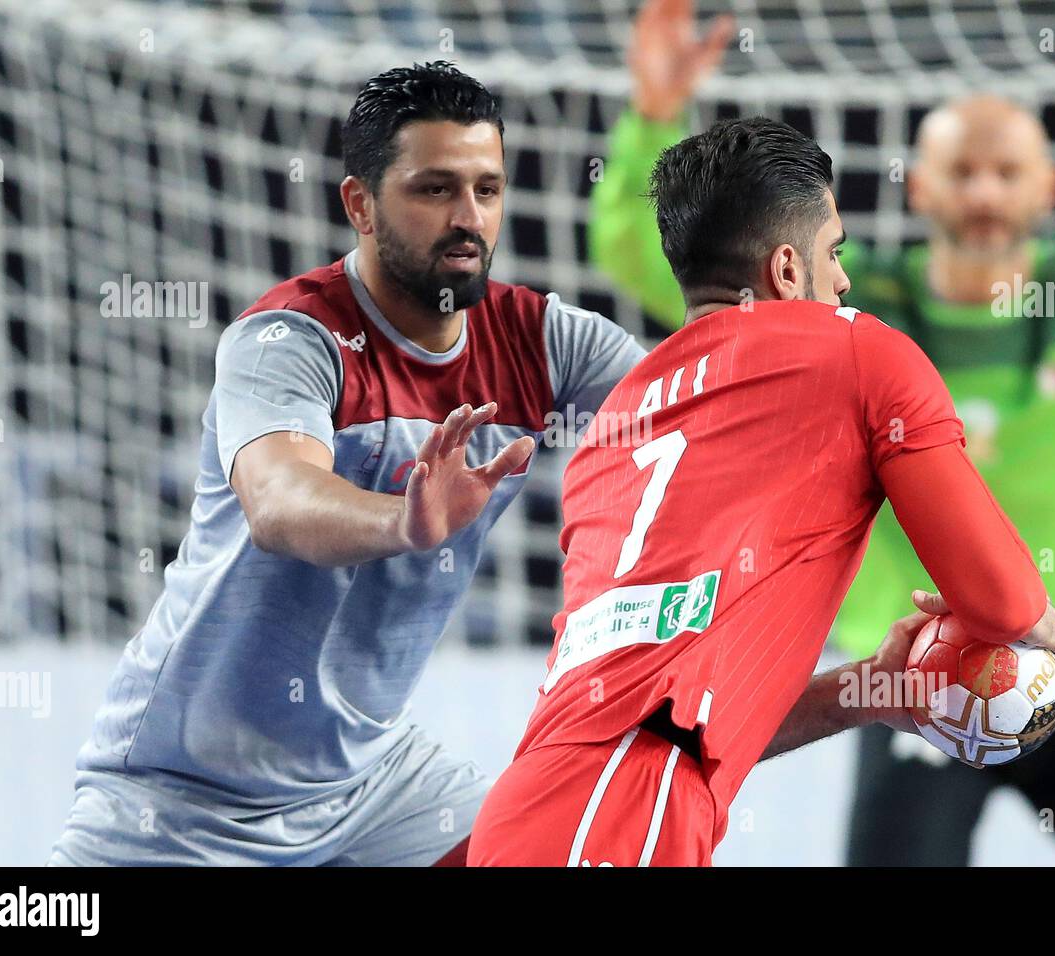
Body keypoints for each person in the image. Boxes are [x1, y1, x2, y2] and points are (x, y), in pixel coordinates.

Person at [590, 0, 1055, 865]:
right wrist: (653, 118)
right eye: (961, 171)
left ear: (1047, 186)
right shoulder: (853, 312)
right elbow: (649, 253)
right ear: (920, 185)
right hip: (919, 675)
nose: (983, 192)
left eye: (1006, 172)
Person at [48, 61, 645, 866]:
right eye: (434, 190)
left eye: (488, 189)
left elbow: (702, 410)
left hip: (374, 795)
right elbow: (279, 501)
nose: (469, 218)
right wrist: (403, 521)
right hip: (175, 801)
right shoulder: (289, 340)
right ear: (359, 204)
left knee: (565, 845)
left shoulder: (544, 341)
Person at [468, 117, 1055, 867]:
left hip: (542, 803)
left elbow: (675, 708)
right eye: (835, 253)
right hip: (628, 808)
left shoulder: (614, 423)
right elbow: (1002, 605)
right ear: (788, 270)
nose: (846, 280)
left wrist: (870, 689)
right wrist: (1038, 616)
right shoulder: (860, 349)